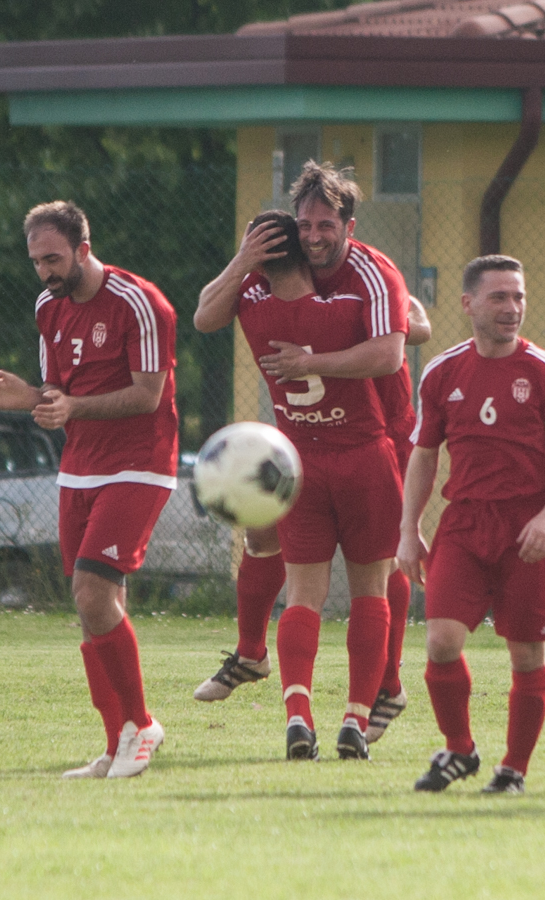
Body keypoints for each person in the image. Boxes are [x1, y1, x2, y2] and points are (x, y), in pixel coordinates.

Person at [191, 162, 429, 755]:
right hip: (315, 443)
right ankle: (258, 656)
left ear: (348, 224)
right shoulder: (282, 285)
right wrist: (247, 260)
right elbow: (409, 330)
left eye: (325, 224)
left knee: (355, 573)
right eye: (304, 225)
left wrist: (314, 358)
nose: (314, 234)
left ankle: (381, 685)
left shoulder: (371, 272)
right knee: (284, 546)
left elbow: (400, 340)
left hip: (381, 425)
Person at [0, 201, 177, 779]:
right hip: (79, 465)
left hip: (139, 463)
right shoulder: (47, 307)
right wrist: (31, 398)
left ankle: (141, 725)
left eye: (54, 259)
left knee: (90, 593)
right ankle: (115, 745)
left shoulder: (141, 302)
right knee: (93, 612)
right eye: (37, 261)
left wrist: (72, 405)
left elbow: (149, 394)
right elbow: (57, 393)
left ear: (84, 249)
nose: (45, 272)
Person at [396, 255, 545, 795]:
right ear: (468, 304)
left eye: (519, 297)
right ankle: (460, 751)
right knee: (440, 642)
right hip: (464, 525)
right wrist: (408, 529)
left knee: (526, 654)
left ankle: (514, 771)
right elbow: (424, 454)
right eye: (500, 297)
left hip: (529, 530)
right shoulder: (440, 372)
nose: (512, 309)